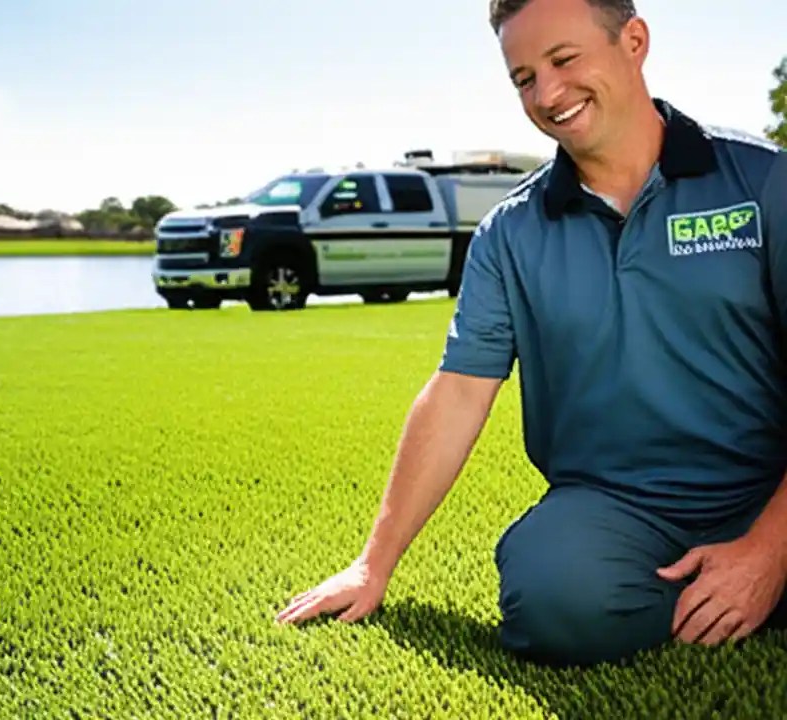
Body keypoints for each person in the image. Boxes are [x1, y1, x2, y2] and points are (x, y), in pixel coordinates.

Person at [275, 0, 787, 667]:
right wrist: (373, 565)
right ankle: (728, 597)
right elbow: (458, 391)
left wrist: (769, 548)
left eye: (564, 60)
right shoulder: (510, 234)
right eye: (523, 77)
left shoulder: (763, 182)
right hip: (618, 510)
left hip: (769, 489)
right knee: (551, 598)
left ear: (633, 41)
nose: (547, 94)